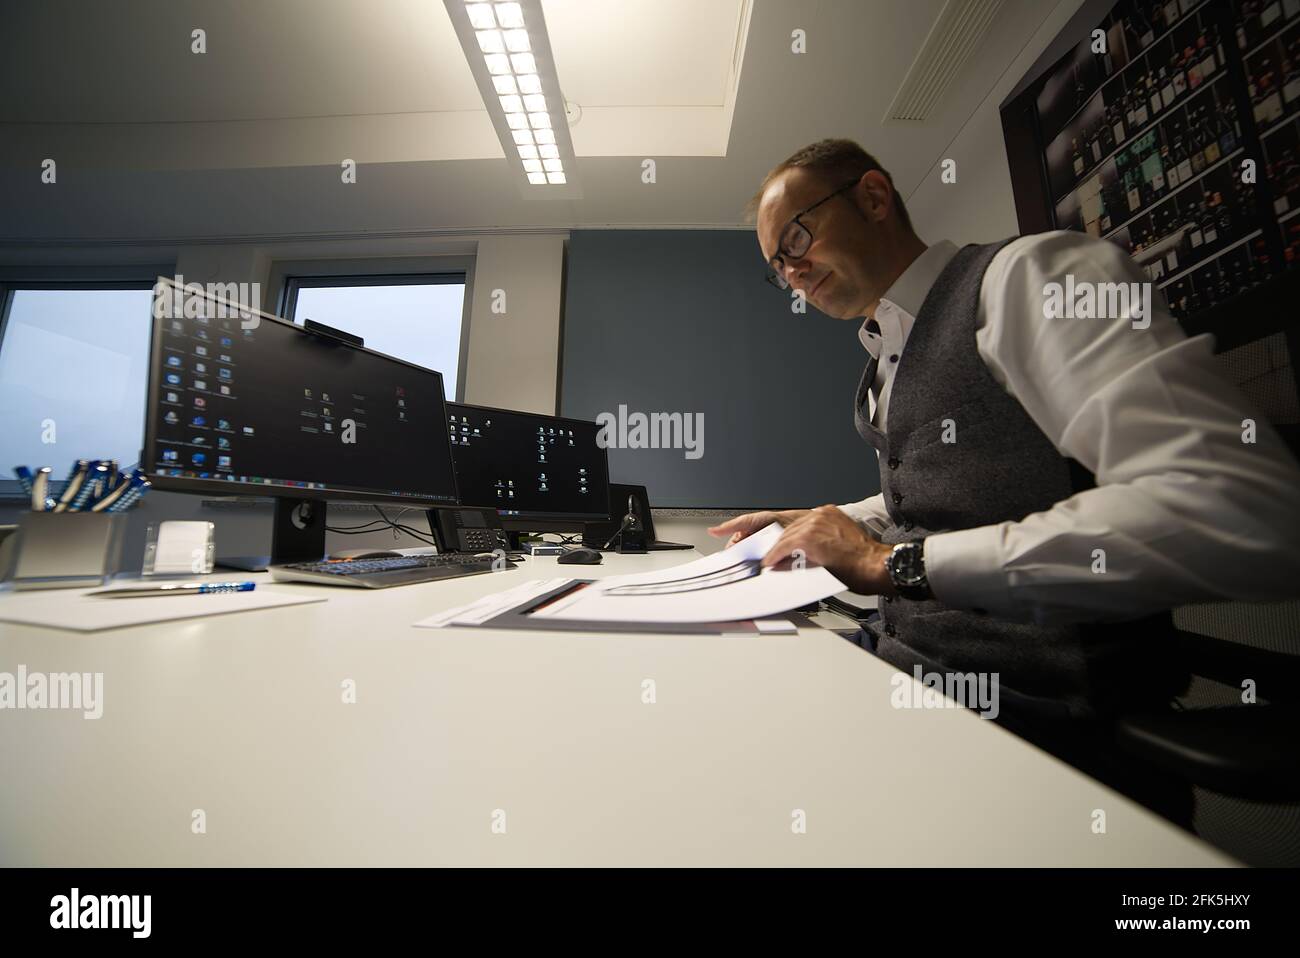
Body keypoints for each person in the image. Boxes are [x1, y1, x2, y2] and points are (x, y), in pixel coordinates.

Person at [709, 138, 1300, 827]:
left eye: (797, 237)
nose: (794, 272)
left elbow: (1243, 508)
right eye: (778, 265)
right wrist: (831, 520)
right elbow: (941, 493)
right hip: (906, 682)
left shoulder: (1033, 278)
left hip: (1039, 736)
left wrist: (892, 563)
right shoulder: (885, 357)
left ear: (872, 197)